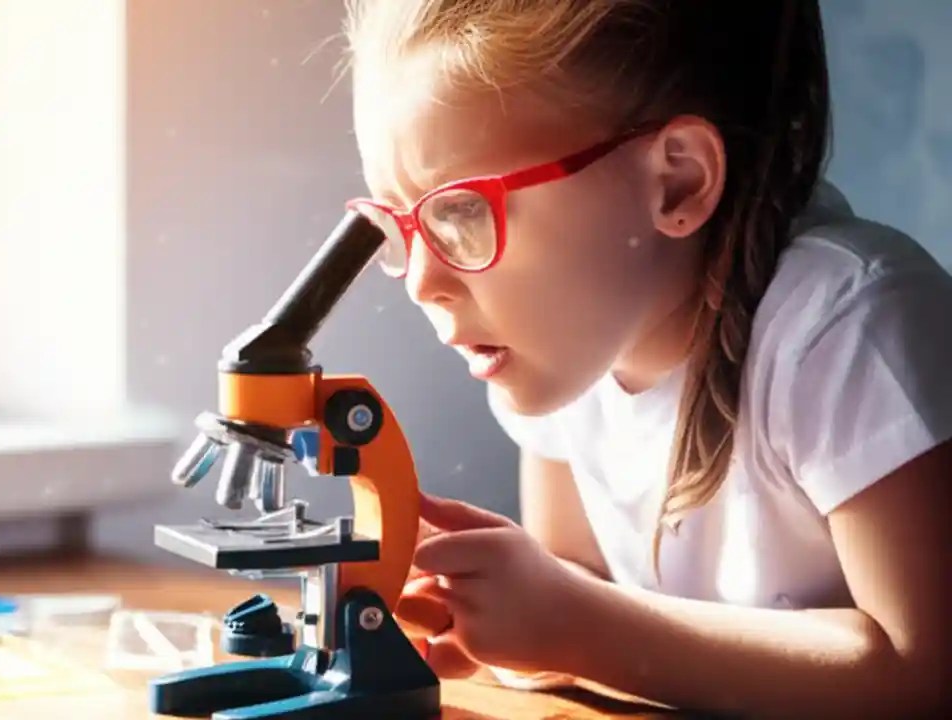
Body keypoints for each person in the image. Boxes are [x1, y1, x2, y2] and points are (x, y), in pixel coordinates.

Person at [340, 1, 950, 717]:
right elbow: (584, 578)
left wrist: (578, 626)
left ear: (678, 182)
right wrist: (514, 623)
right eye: (396, 225)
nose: (422, 282)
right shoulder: (564, 350)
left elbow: (925, 673)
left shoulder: (849, 327)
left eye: (462, 213)